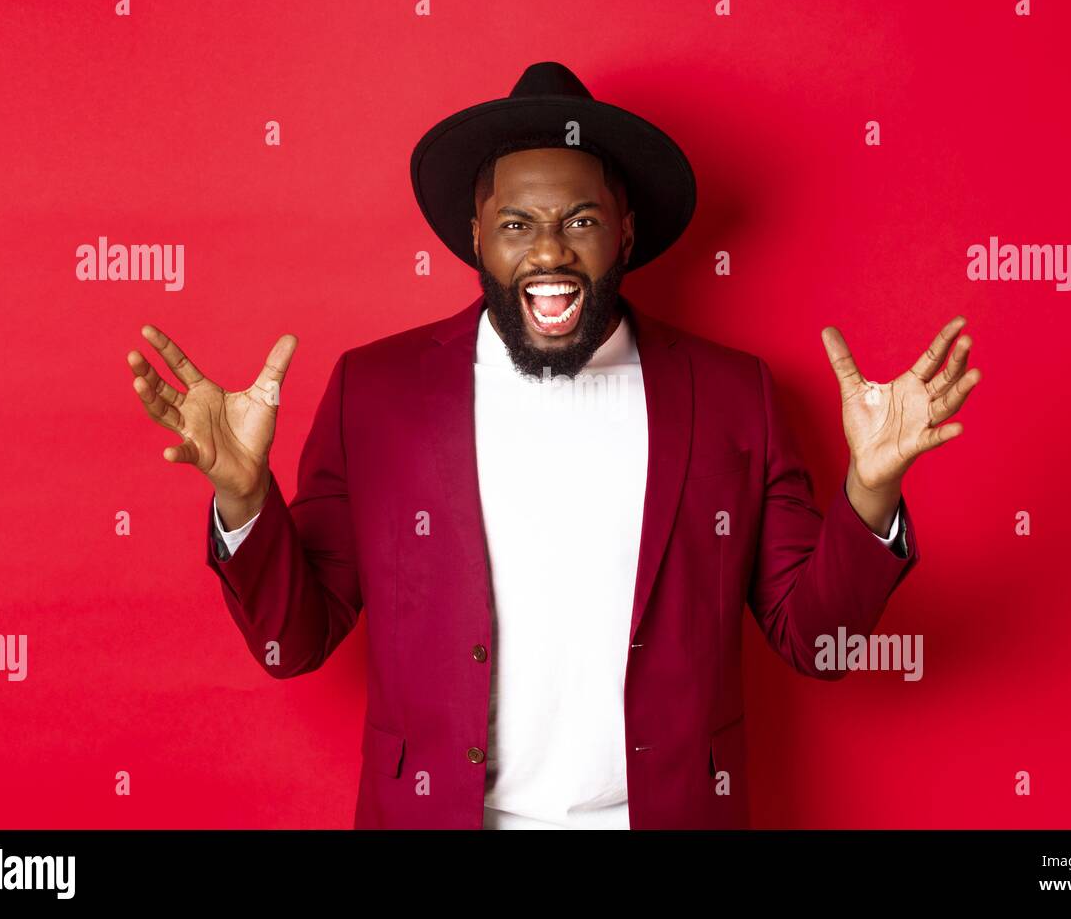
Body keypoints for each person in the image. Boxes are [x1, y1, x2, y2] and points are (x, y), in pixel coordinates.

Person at [126, 61, 980, 829]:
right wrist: (244, 500)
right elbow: (297, 640)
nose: (548, 251)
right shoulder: (376, 393)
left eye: (579, 220)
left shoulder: (734, 396)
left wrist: (870, 492)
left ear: (625, 233)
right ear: (476, 238)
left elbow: (812, 640)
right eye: (516, 224)